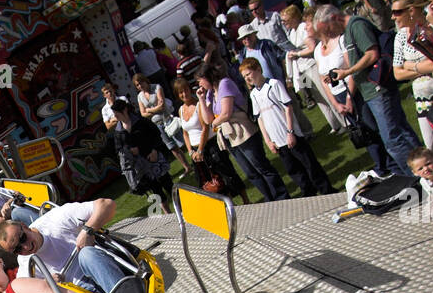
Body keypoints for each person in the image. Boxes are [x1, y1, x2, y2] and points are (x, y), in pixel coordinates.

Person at [314, 4, 419, 176]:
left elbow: (372, 54)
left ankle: (414, 175)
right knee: (402, 131)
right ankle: (425, 169)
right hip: (370, 91)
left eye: (327, 29)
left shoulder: (356, 25)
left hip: (378, 89)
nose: (328, 35)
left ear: (334, 18)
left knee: (392, 139)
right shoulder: (347, 32)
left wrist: (347, 72)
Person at [0, 196, 126, 293]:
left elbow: (107, 204)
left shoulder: (56, 219)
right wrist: (45, 284)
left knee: (86, 254)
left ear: (24, 226)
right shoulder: (27, 263)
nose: (25, 247)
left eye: (22, 238)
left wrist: (87, 230)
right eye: (17, 249)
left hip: (100, 265)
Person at [240, 58, 334, 196]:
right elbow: (259, 118)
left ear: (258, 69)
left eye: (248, 74)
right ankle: (308, 192)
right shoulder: (254, 94)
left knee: (309, 164)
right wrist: (268, 141)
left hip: (291, 134)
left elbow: (287, 108)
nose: (247, 78)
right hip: (277, 140)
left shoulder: (274, 84)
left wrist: (290, 131)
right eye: (244, 76)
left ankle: (326, 189)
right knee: (293, 169)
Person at [198, 59, 288, 201]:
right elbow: (207, 119)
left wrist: (214, 123)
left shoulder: (224, 84)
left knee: (261, 166)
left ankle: (281, 195)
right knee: (249, 171)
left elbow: (226, 113)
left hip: (243, 132)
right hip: (230, 137)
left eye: (200, 80)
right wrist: (202, 100)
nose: (200, 84)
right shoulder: (210, 93)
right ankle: (269, 197)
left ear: (208, 76)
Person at [390, 0, 433, 152]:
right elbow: (397, 73)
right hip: (422, 99)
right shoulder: (400, 37)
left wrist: (410, 65)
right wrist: (422, 66)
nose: (393, 17)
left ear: (411, 10)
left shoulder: (432, 26)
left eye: (397, 12)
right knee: (432, 146)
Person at [110, 98, 174, 212]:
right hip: (140, 166)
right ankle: (168, 214)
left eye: (117, 114)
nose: (115, 117)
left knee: (168, 185)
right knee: (156, 191)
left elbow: (156, 134)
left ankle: (183, 209)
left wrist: (154, 150)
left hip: (154, 158)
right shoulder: (118, 131)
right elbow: (118, 149)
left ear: (124, 110)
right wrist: (129, 151)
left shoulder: (141, 121)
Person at [132, 74, 188, 166]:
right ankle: (186, 167)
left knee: (182, 142)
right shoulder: (140, 96)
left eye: (141, 82)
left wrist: (149, 110)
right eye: (137, 85)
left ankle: (195, 160)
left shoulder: (156, 87)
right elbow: (143, 114)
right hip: (157, 124)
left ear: (145, 80)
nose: (140, 86)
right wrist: (154, 109)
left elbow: (162, 106)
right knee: (171, 147)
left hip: (168, 119)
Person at [408, 148, 433, 219]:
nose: (425, 169)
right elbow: (432, 195)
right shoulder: (423, 181)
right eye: (420, 168)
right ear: (415, 173)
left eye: (428, 164)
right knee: (430, 211)